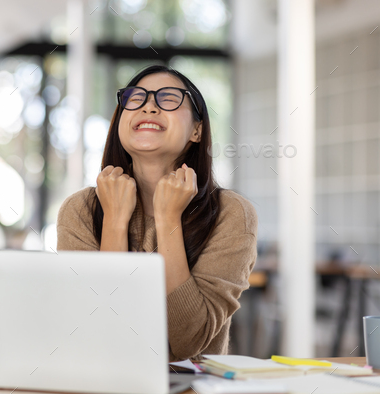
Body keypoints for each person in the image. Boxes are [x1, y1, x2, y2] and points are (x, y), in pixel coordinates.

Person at [56, 65, 258, 362]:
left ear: (197, 130)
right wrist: (114, 220)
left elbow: (187, 342)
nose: (149, 106)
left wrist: (168, 220)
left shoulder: (231, 214)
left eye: (168, 98)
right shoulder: (81, 210)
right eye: (135, 98)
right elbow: (101, 332)